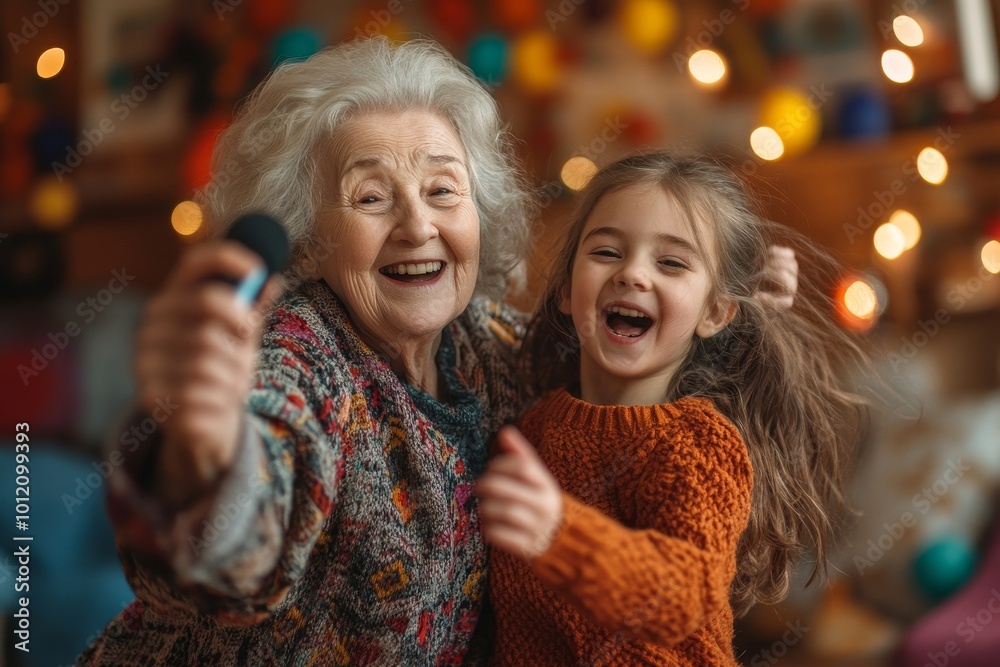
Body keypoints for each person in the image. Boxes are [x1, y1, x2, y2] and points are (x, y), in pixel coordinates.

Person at [77, 39, 797, 665]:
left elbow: (625, 379)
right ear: (310, 237)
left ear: (477, 211)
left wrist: (729, 292)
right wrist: (206, 454)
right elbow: (235, 549)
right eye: (371, 198)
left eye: (442, 190)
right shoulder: (299, 355)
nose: (417, 225)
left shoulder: (498, 346)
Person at [475, 152, 868, 665]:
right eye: (607, 252)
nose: (632, 274)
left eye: (672, 263)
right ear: (567, 289)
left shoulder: (697, 443)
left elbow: (686, 591)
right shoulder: (535, 425)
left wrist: (563, 536)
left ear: (716, 313)